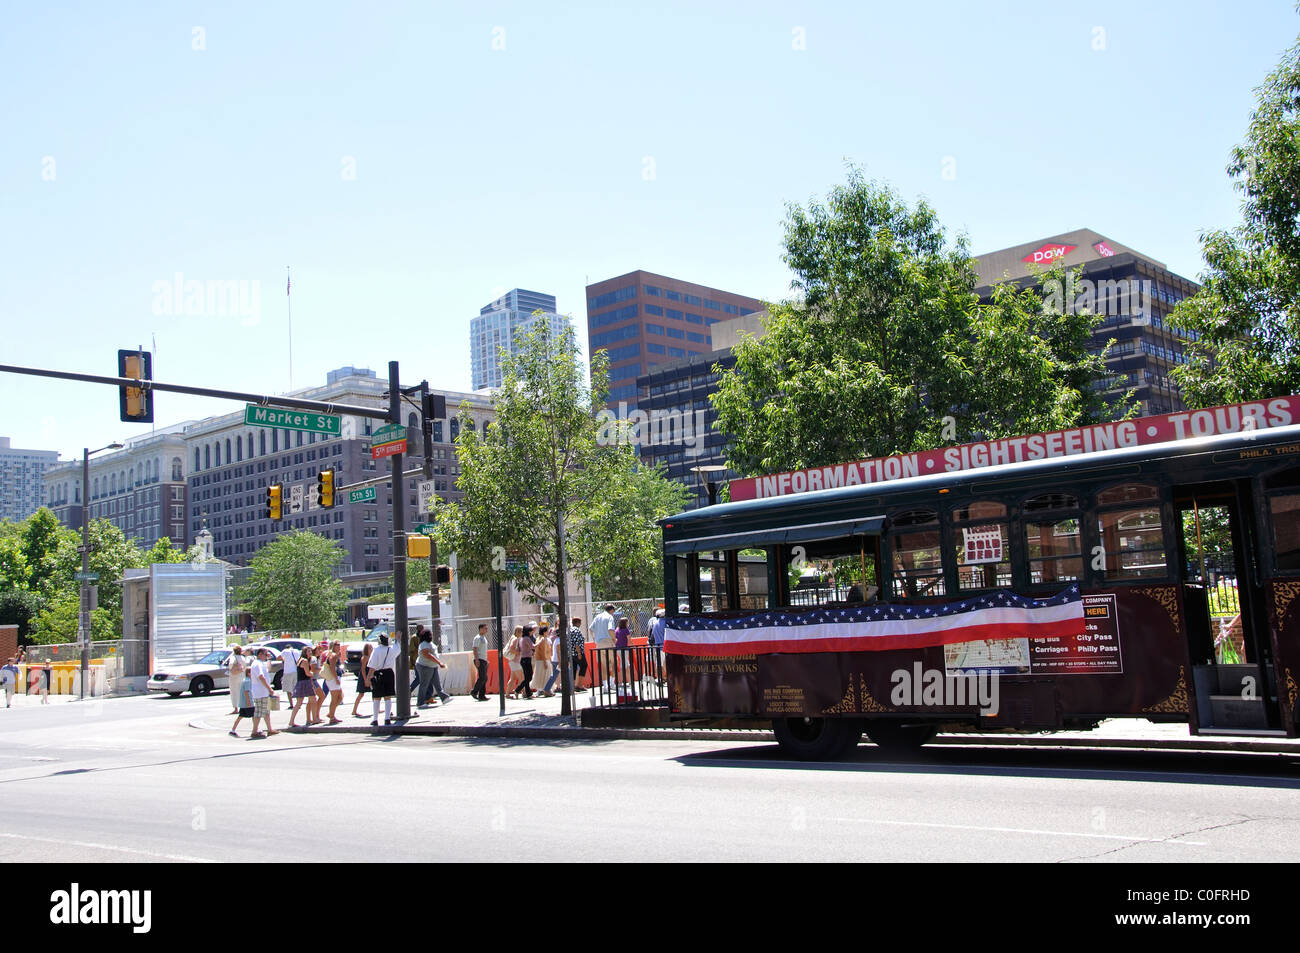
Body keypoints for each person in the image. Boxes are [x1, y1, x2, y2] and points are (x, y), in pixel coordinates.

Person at [367, 633, 400, 726]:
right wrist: (398, 639)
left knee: (377, 697)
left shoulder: (376, 650)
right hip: (389, 673)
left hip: (378, 674)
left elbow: (372, 666)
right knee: (388, 697)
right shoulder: (391, 649)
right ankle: (387, 718)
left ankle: (375, 719)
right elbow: (398, 647)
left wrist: (368, 677)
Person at [248, 648, 280, 739]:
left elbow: (268, 669)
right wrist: (269, 688)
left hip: (263, 691)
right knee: (258, 712)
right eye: (266, 654)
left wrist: (269, 659)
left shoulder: (261, 663)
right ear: (260, 654)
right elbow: (261, 677)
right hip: (260, 691)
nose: (267, 656)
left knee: (266, 711)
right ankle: (254, 731)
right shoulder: (257, 664)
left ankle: (270, 729)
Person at [416, 629, 450, 707]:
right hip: (425, 666)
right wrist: (439, 663)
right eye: (430, 634)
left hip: (432, 666)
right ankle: (420, 702)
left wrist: (437, 663)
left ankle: (444, 698)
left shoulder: (429, 643)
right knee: (424, 684)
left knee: (437, 684)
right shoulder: (424, 644)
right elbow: (427, 655)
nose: (431, 636)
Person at [289, 645, 318, 728]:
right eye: (308, 651)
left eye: (311, 651)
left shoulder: (300, 660)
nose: (310, 653)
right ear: (305, 652)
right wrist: (312, 673)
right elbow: (308, 673)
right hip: (305, 682)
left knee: (299, 703)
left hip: (300, 682)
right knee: (313, 700)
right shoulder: (304, 661)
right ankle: (314, 719)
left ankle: (292, 721)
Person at [322, 641, 345, 724]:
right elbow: (332, 668)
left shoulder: (335, 655)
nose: (339, 646)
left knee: (340, 697)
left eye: (339, 644)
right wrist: (336, 679)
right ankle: (332, 717)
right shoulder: (333, 655)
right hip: (333, 679)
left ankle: (331, 713)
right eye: (337, 645)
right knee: (335, 698)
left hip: (335, 678)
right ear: (333, 646)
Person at [230, 666, 255, 737]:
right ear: (249, 673)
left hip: (244, 703)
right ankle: (255, 730)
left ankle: (233, 730)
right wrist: (249, 701)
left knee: (241, 716)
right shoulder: (248, 681)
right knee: (254, 715)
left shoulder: (246, 680)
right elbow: (247, 692)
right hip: (248, 703)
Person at [352, 643, 373, 718]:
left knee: (374, 692)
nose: (371, 649)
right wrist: (365, 680)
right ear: (366, 649)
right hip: (364, 677)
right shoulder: (365, 657)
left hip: (369, 676)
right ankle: (354, 710)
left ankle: (377, 708)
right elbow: (363, 669)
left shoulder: (371, 657)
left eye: (371, 647)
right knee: (361, 694)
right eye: (370, 648)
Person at [225, 645, 248, 716]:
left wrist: (232, 668)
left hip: (234, 676)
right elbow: (245, 667)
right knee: (241, 691)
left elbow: (231, 665)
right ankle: (243, 706)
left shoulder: (233, 657)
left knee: (234, 692)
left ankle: (236, 708)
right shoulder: (243, 658)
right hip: (242, 675)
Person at [532, 623, 553, 697]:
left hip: (539, 660)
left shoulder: (538, 638)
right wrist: (545, 662)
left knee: (540, 675)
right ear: (544, 632)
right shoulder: (543, 639)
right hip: (544, 659)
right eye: (547, 631)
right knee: (546, 675)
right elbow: (543, 651)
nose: (548, 633)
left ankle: (540, 689)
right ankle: (546, 690)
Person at [515, 624, 536, 699]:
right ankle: (518, 689)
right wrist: (540, 642)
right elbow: (533, 646)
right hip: (526, 659)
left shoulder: (521, 639)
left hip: (524, 659)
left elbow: (519, 649)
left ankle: (528, 693)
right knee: (529, 677)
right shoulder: (527, 638)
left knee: (527, 677)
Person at [471, 624, 489, 701]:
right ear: (481, 629)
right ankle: (474, 691)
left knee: (484, 678)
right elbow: (475, 649)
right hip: (479, 659)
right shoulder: (477, 638)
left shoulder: (483, 638)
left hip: (483, 659)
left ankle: (482, 695)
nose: (486, 630)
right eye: (485, 628)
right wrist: (477, 659)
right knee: (482, 677)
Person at [504, 625, 523, 698]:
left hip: (513, 661)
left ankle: (507, 694)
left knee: (513, 678)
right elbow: (511, 649)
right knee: (521, 679)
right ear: (518, 632)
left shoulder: (514, 638)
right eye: (522, 631)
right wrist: (519, 653)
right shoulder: (515, 639)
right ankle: (522, 692)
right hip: (515, 662)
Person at [543, 624, 563, 696]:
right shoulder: (559, 641)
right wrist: (560, 662)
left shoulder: (557, 640)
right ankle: (546, 689)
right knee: (554, 675)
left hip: (556, 660)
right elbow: (558, 652)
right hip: (557, 660)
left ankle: (547, 689)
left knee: (554, 675)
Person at [280, 642, 301, 708]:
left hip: (288, 672)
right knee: (296, 688)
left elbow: (279, 658)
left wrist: (284, 660)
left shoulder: (285, 651)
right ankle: (298, 704)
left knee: (288, 689)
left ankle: (291, 704)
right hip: (296, 672)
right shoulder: (297, 651)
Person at [568, 617, 587, 687]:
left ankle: (572, 686)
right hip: (577, 652)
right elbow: (577, 642)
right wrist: (579, 653)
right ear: (578, 623)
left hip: (571, 653)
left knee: (574, 669)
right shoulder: (577, 630)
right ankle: (579, 685)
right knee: (584, 665)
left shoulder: (570, 630)